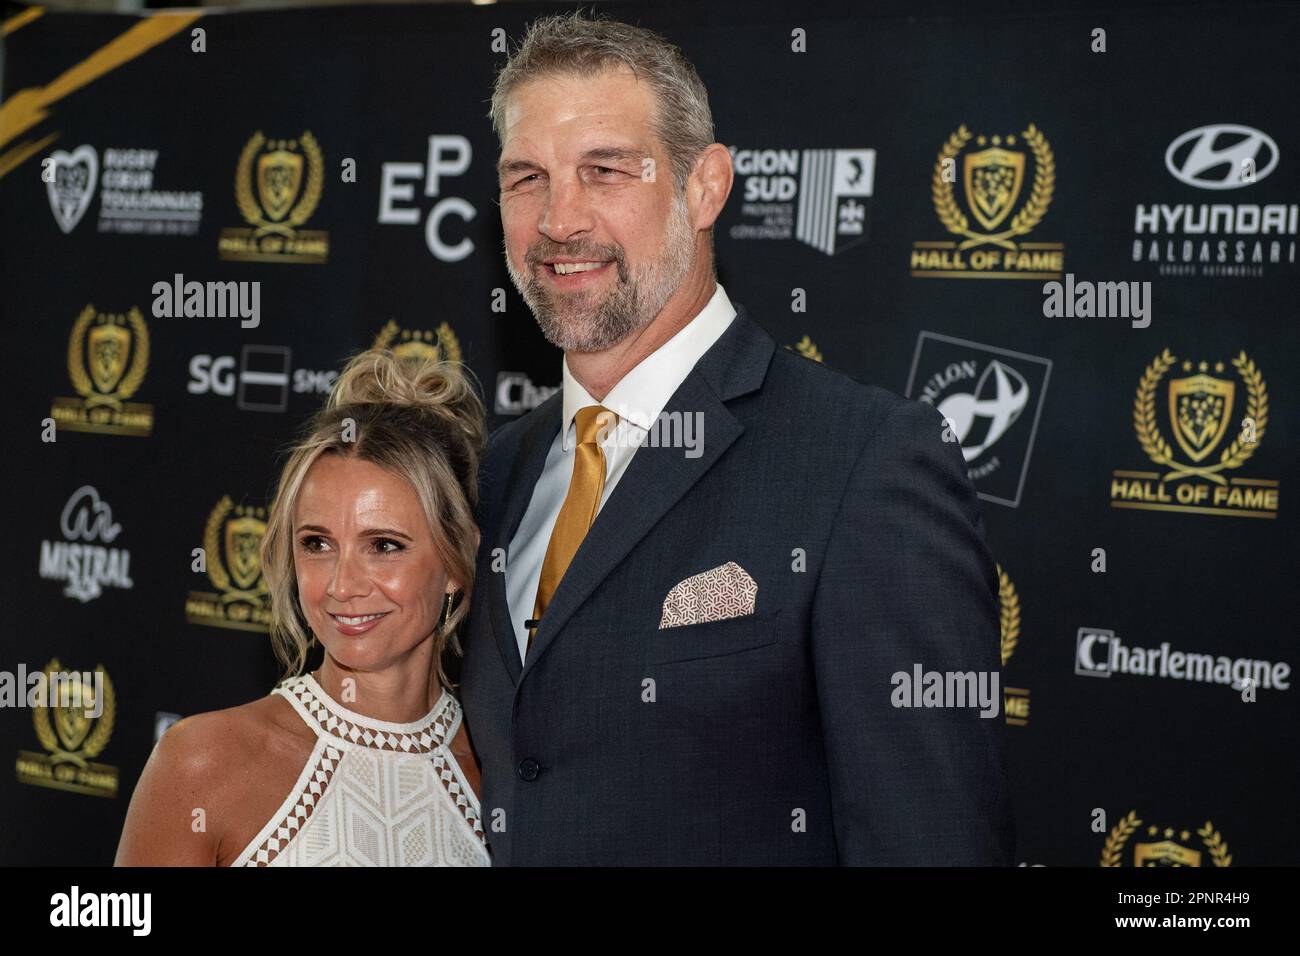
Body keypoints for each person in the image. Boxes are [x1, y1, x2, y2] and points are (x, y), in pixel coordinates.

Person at [460, 11, 1016, 865]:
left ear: (706, 185)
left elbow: (930, 839)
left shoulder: (865, 463)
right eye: (526, 177)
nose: (558, 221)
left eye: (604, 170)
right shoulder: (499, 471)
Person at [115, 350, 491, 866]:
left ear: (457, 559)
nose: (342, 584)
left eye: (383, 545)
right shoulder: (202, 764)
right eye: (317, 543)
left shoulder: (503, 778)